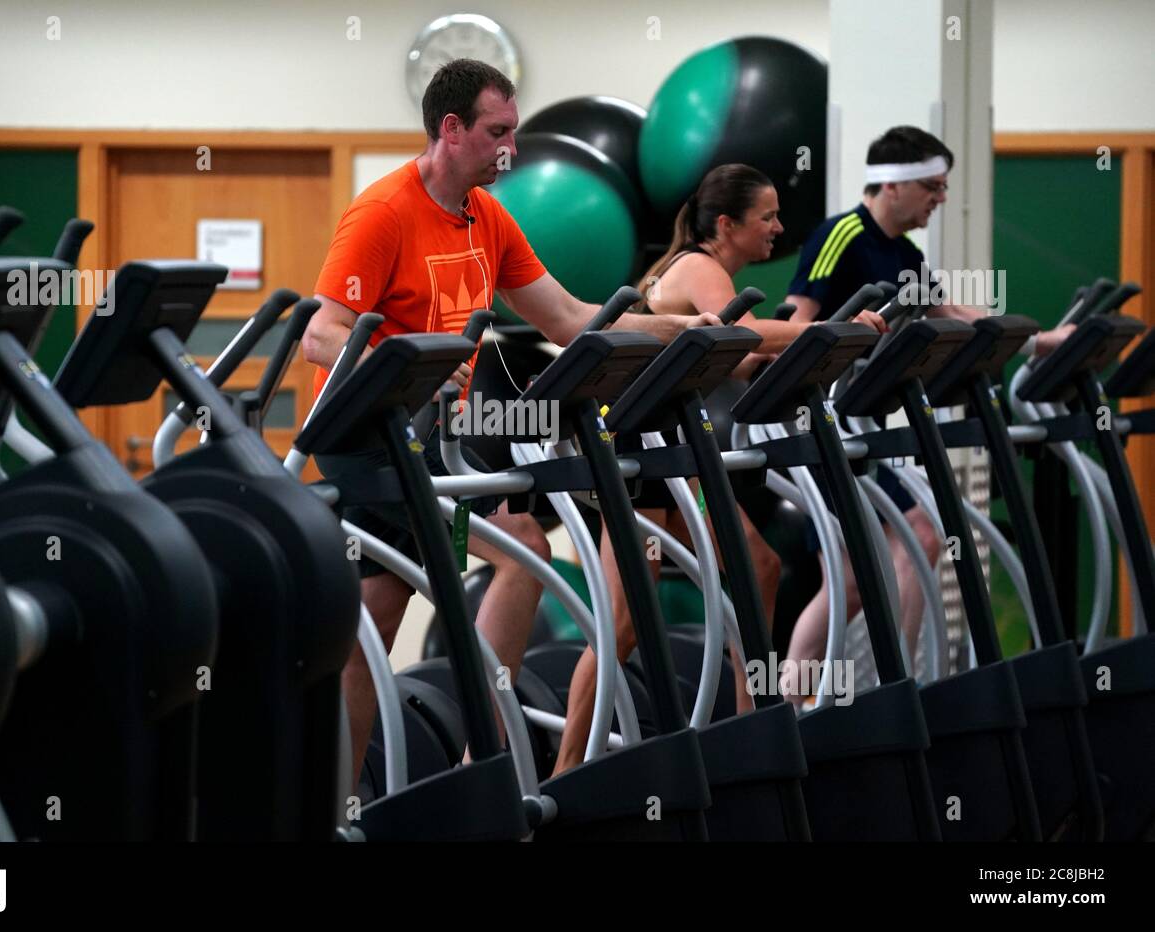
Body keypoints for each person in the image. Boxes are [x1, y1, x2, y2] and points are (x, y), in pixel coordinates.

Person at [301, 58, 726, 786]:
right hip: (365, 441)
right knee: (382, 624)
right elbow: (321, 332)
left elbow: (566, 318)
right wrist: (409, 362)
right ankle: (345, 801)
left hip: (433, 442)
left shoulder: (487, 217)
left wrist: (680, 328)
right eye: (499, 133)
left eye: (515, 133)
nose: (513, 151)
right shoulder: (383, 212)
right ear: (452, 128)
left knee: (513, 553)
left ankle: (477, 766)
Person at [549, 164, 888, 777]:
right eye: (768, 217)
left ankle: (746, 738)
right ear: (727, 224)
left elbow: (736, 360)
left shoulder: (697, 271)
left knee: (756, 566)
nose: (779, 228)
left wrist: (811, 357)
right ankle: (568, 769)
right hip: (636, 448)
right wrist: (831, 329)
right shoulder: (701, 267)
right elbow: (749, 332)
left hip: (673, 448)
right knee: (626, 619)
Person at [781, 125, 1074, 696]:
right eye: (933, 187)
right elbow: (795, 321)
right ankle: (886, 686)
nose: (941, 200)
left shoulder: (903, 253)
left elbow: (950, 315)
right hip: (815, 424)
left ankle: (815, 702)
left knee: (851, 580)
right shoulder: (841, 235)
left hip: (855, 425)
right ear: (893, 186)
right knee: (907, 537)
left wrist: (1038, 339)